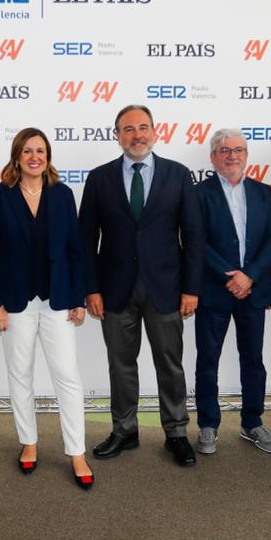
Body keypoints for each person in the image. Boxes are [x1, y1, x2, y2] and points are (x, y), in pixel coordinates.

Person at [79, 104, 204, 467]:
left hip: (166, 288)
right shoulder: (100, 178)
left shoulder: (178, 175)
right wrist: (92, 288)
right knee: (120, 365)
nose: (137, 135)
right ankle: (124, 430)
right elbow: (86, 239)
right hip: (115, 290)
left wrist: (191, 288)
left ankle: (177, 433)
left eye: (143, 127)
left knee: (170, 364)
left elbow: (193, 236)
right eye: (128, 129)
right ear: (117, 135)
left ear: (155, 132)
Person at [0, 128, 94, 490]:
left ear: (48, 156)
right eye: (27, 150)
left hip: (57, 300)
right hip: (14, 303)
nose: (34, 157)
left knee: (67, 377)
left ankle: (76, 451)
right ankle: (29, 442)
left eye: (41, 150)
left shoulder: (62, 195)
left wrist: (77, 297)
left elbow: (76, 249)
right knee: (20, 375)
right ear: (17, 156)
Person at [193, 128, 271, 455]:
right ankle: (207, 425)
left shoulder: (263, 192)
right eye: (225, 150)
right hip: (214, 291)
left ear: (246, 155)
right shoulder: (198, 193)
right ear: (213, 157)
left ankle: (252, 422)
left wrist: (250, 276)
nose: (232, 156)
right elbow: (195, 241)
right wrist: (228, 275)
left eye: (239, 150)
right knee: (208, 361)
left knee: (254, 360)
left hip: (253, 291)